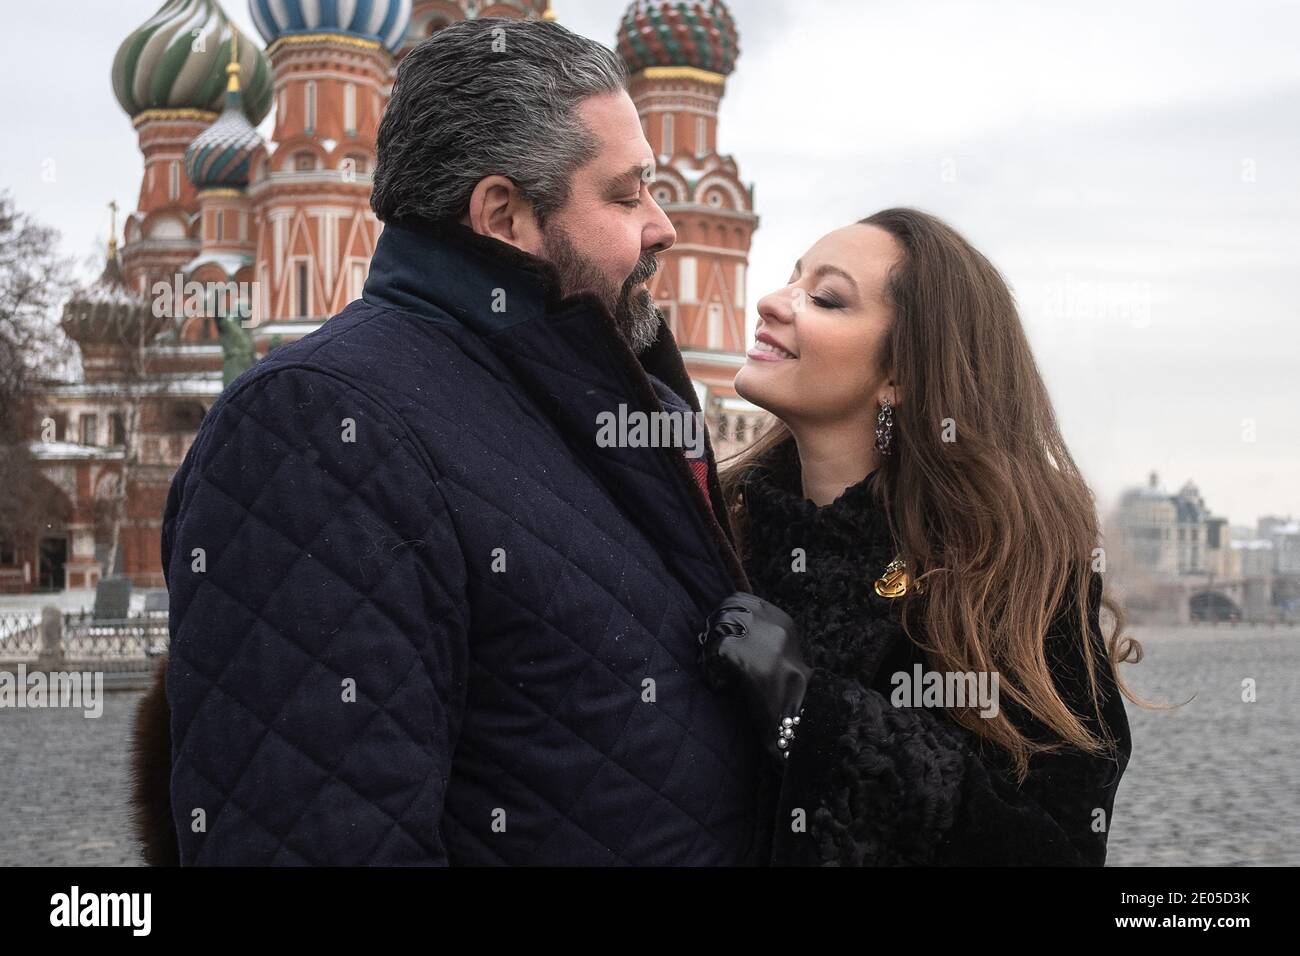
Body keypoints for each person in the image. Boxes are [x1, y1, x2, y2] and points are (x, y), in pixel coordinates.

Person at [131, 18, 768, 866]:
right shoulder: (318, 425)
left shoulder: (589, 404)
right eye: (626, 195)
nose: (663, 227)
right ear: (503, 213)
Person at [699, 208, 1141, 865]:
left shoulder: (1011, 583)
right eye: (791, 279)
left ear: (898, 376)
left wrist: (812, 715)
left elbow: (1055, 850)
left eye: (823, 298)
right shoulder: (712, 534)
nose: (769, 302)